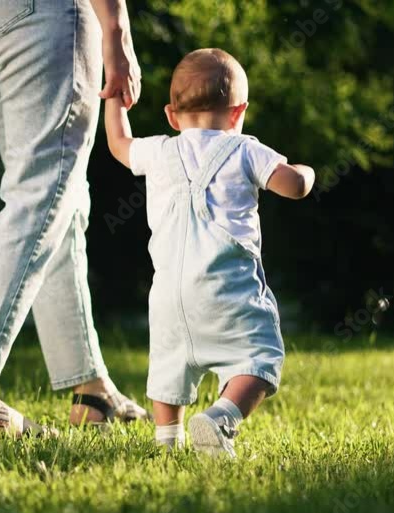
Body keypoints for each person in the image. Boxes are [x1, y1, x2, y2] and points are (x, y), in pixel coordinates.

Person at [0, 0, 150, 438]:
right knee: (40, 195)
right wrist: (117, 32)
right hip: (39, 14)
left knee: (60, 196)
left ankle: (91, 389)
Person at [102, 48, 315, 456]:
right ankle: (221, 418)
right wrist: (307, 173)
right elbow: (293, 186)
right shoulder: (246, 150)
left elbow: (117, 143)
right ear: (239, 113)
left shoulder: (160, 150)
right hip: (227, 291)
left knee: (170, 367)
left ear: (170, 115)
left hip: (168, 297)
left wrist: (115, 96)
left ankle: (168, 439)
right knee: (261, 357)